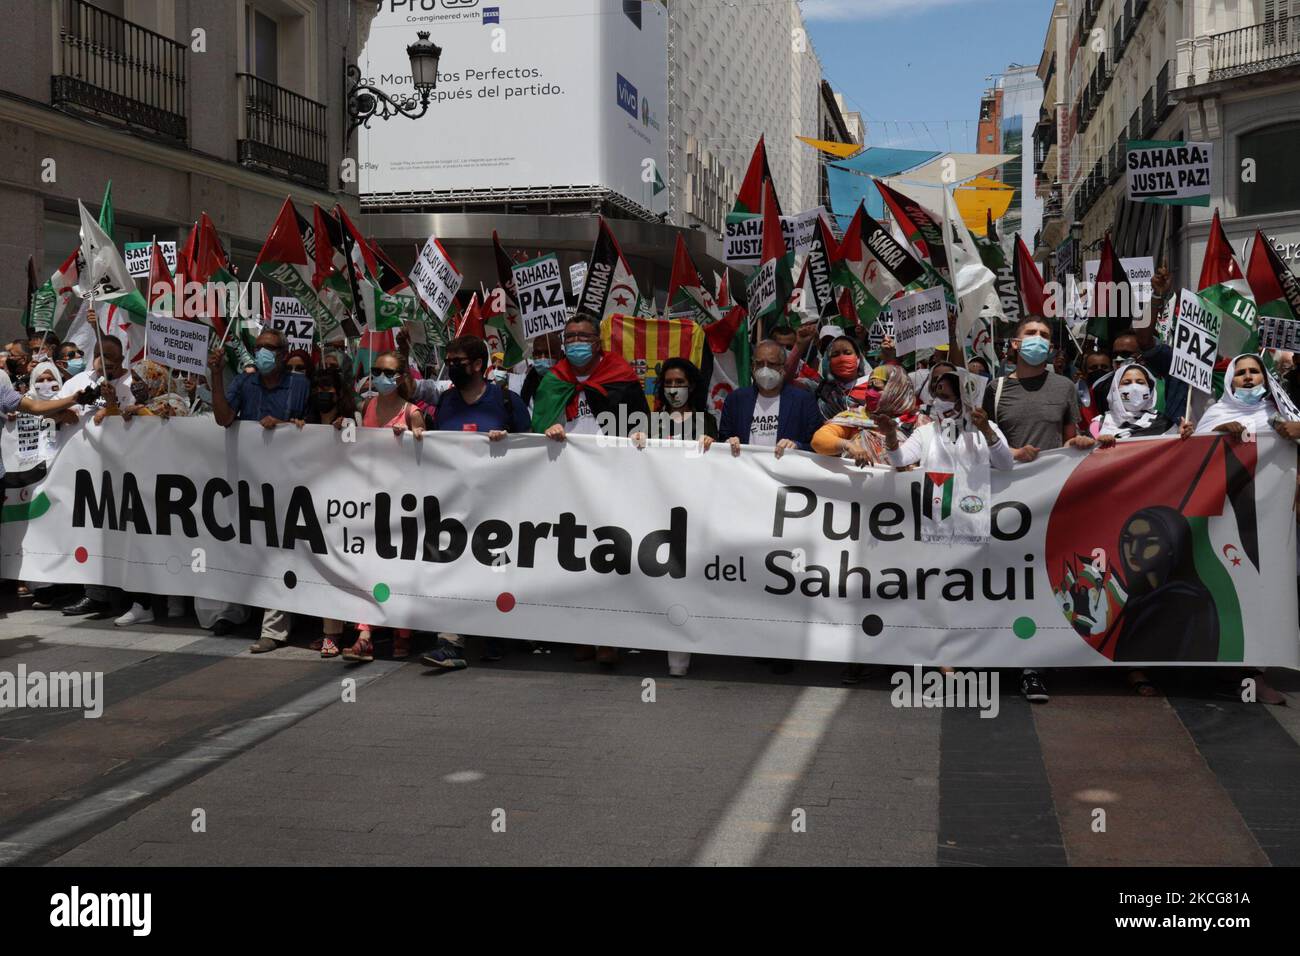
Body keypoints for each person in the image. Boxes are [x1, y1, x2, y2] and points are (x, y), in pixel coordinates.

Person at [981, 316, 1094, 704]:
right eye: (1030, 334)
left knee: (1042, 580)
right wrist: (1011, 453)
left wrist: (1079, 442)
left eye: (1044, 336)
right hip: (1006, 499)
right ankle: (997, 652)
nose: (1038, 340)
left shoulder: (1064, 387)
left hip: (1050, 500)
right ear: (1014, 345)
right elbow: (980, 442)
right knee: (1005, 579)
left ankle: (1033, 667)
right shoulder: (995, 390)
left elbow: (1069, 437)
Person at [206, 329, 310, 654]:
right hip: (247, 480)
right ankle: (235, 611)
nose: (264, 353)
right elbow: (224, 418)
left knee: (279, 552)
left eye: (271, 348)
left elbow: (307, 426)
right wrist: (216, 375)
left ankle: (274, 629)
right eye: (260, 347)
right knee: (242, 547)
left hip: (285, 482)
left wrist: (281, 425)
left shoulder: (299, 384)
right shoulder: (244, 382)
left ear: (284, 352)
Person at [342, 349, 425, 664]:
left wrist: (416, 436)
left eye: (389, 372)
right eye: (377, 370)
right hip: (371, 499)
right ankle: (365, 634)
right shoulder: (368, 405)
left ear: (402, 377)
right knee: (369, 567)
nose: (381, 377)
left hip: (404, 503)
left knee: (399, 568)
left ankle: (401, 634)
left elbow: (430, 455)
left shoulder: (412, 411)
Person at [531, 313, 650, 444]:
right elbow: (539, 428)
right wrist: (549, 429)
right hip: (566, 460)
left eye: (583, 336)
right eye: (570, 337)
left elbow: (642, 422)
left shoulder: (620, 374)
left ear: (598, 344)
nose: (576, 341)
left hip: (611, 458)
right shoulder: (553, 380)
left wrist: (639, 434)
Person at [710, 340, 820, 457]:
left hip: (784, 470)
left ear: (783, 367)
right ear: (753, 367)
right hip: (745, 469)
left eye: (771, 364)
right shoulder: (736, 399)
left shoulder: (803, 401)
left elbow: (818, 445)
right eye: (760, 364)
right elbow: (723, 439)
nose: (765, 369)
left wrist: (797, 445)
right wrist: (729, 442)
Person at [811, 364, 924, 468]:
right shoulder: (855, 417)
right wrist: (848, 445)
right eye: (868, 387)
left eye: (877, 388)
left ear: (897, 391)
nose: (870, 393)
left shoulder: (920, 423)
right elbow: (818, 440)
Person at [1096, 363, 1193, 445]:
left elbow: (1174, 456)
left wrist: (1181, 437)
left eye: (1140, 382)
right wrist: (1086, 443)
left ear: (1150, 389)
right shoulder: (1099, 424)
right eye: (1126, 383)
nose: (1134, 387)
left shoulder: (1164, 423)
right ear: (1115, 390)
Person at [654, 356, 718, 443]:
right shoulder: (651, 421)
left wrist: (711, 444)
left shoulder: (707, 421)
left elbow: (715, 454)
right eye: (668, 382)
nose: (673, 388)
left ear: (691, 386)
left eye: (679, 382)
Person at [811, 335, 872, 421]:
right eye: (835, 355)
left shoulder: (873, 387)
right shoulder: (825, 394)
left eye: (847, 353)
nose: (842, 359)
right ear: (829, 362)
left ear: (858, 358)